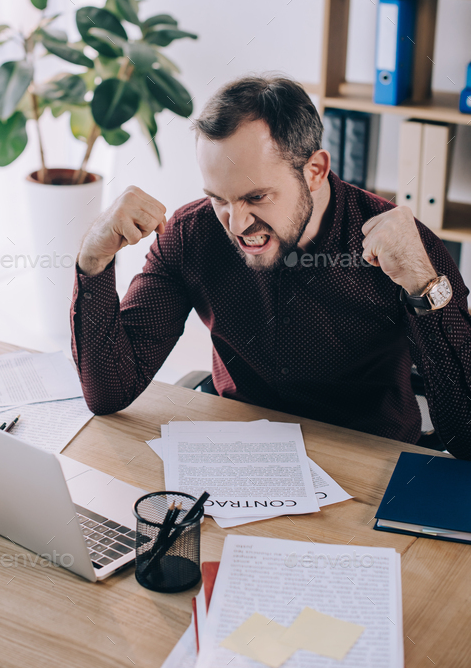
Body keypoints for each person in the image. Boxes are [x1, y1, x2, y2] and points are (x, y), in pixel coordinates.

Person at [71, 75, 471, 459]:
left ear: (314, 171)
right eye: (219, 199)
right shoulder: (191, 234)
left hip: (365, 458)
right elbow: (109, 392)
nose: (237, 224)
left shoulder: (404, 247)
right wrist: (94, 259)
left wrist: (422, 282)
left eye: (257, 196)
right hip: (238, 450)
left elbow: (466, 436)